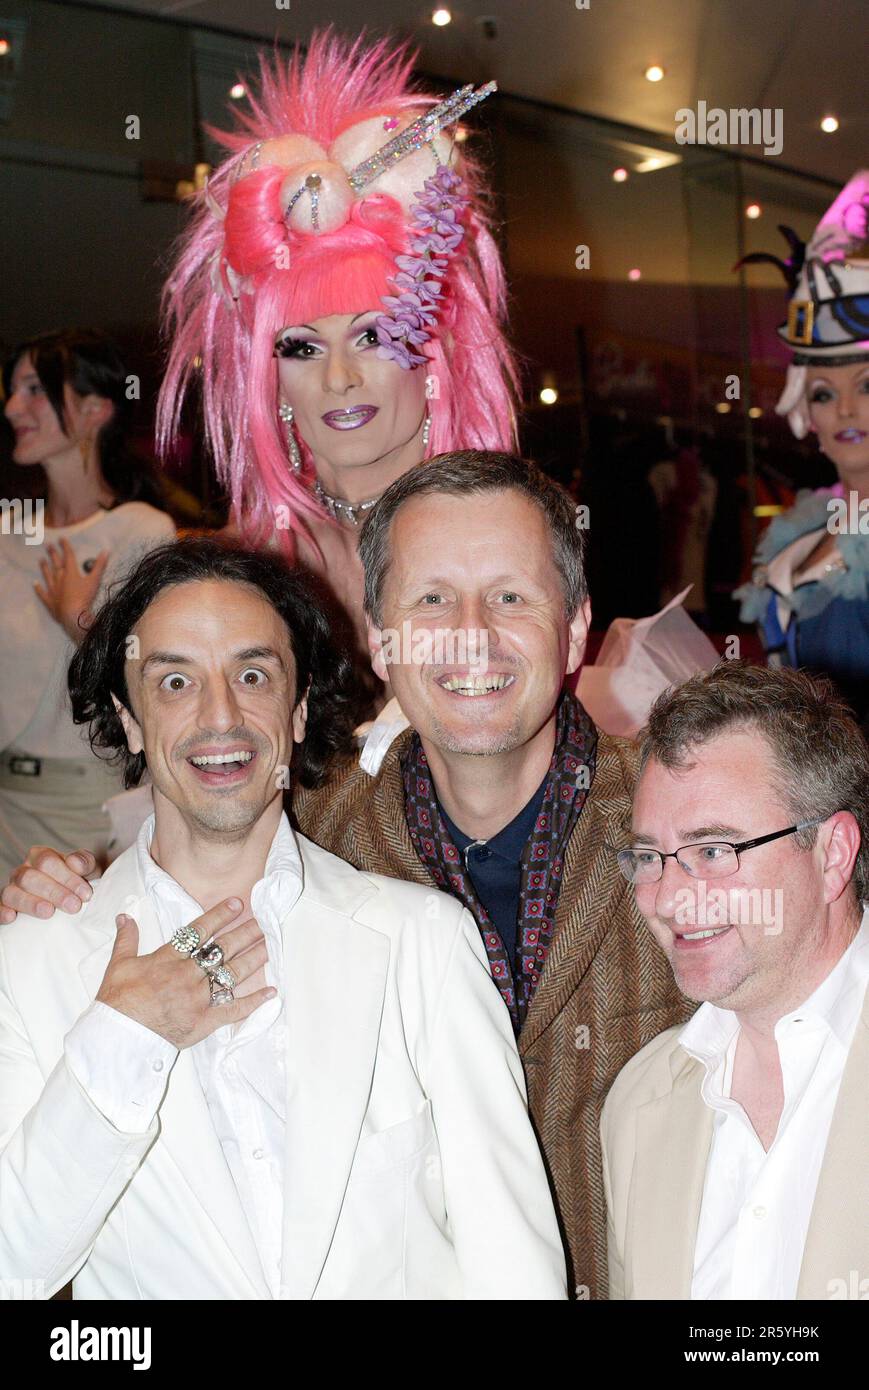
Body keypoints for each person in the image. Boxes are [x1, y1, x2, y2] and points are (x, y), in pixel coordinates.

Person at [0, 452, 692, 1298]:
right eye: (175, 680)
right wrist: (122, 1029)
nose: (221, 714)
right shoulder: (43, 953)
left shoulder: (696, 831)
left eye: (253, 674)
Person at [159, 28, 516, 658]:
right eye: (301, 347)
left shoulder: (508, 542)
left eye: (371, 335)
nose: (339, 377)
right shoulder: (246, 568)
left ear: (435, 356)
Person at [602, 661, 869, 1300]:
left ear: (832, 854)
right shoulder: (638, 1105)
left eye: (714, 852)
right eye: (648, 858)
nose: (668, 898)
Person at [0, 329, 175, 875]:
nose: (11, 407)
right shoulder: (9, 531)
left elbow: (161, 674)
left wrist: (80, 620)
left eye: (34, 390)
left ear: (97, 410)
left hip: (94, 804)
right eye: (12, 390)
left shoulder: (142, 528)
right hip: (7, 801)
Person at [736, 171, 869, 728]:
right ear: (803, 410)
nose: (844, 410)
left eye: (867, 386)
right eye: (823, 392)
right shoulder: (799, 531)